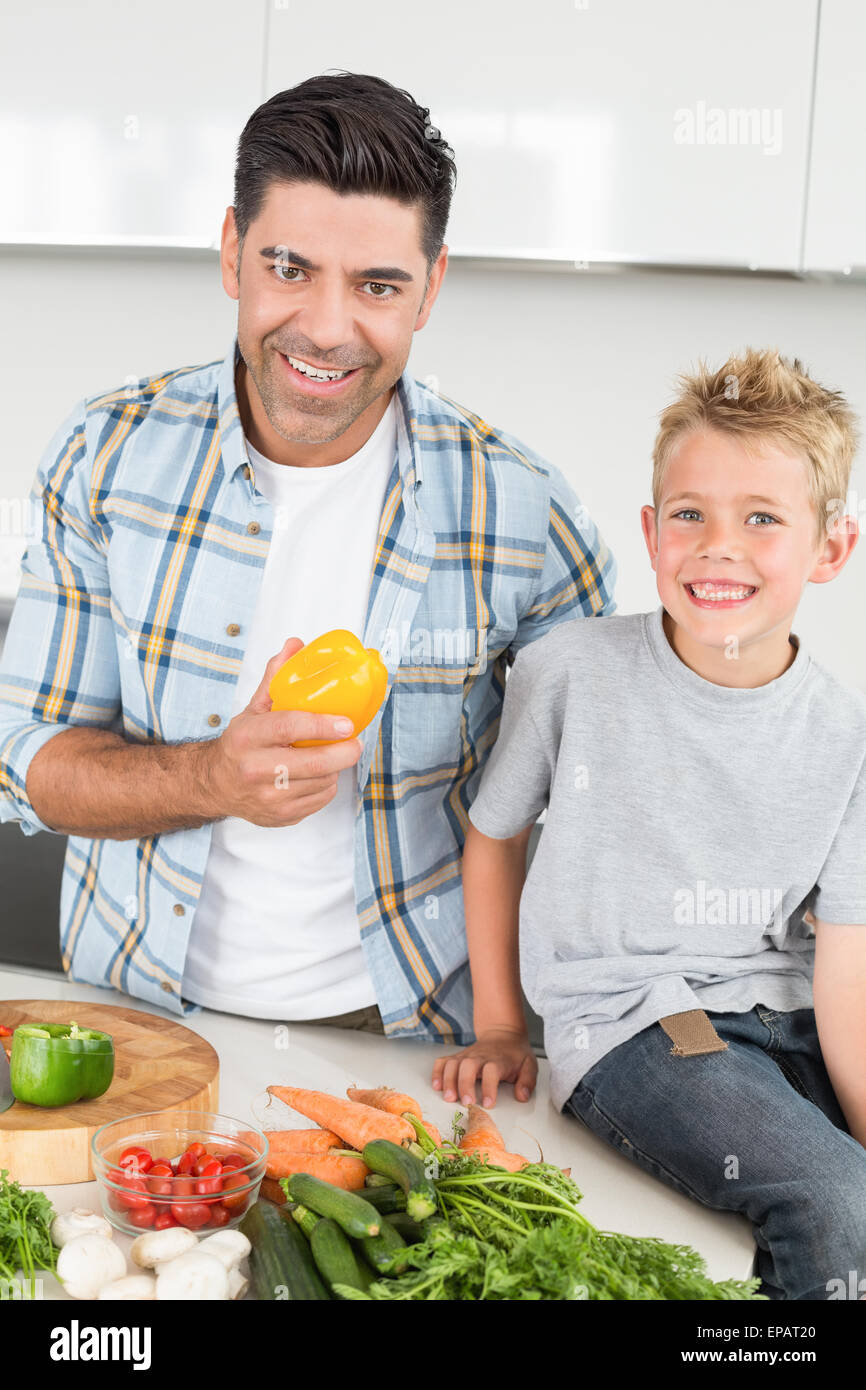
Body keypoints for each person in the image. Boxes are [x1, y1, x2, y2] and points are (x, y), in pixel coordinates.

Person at [0, 72, 616, 1040]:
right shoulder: (106, 455)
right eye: (289, 268)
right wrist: (211, 778)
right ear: (231, 254)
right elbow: (28, 758)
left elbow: (601, 798)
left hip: (407, 1039)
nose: (327, 329)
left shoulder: (523, 511)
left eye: (377, 285)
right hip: (135, 1029)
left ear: (431, 289)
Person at [433, 347, 866, 1300]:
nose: (719, 546)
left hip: (784, 1015)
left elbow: (844, 970)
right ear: (651, 531)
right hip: (634, 1023)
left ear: (830, 548)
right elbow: (494, 835)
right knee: (835, 1197)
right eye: (690, 515)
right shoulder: (570, 673)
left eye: (762, 519)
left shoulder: (848, 737)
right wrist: (504, 1025)